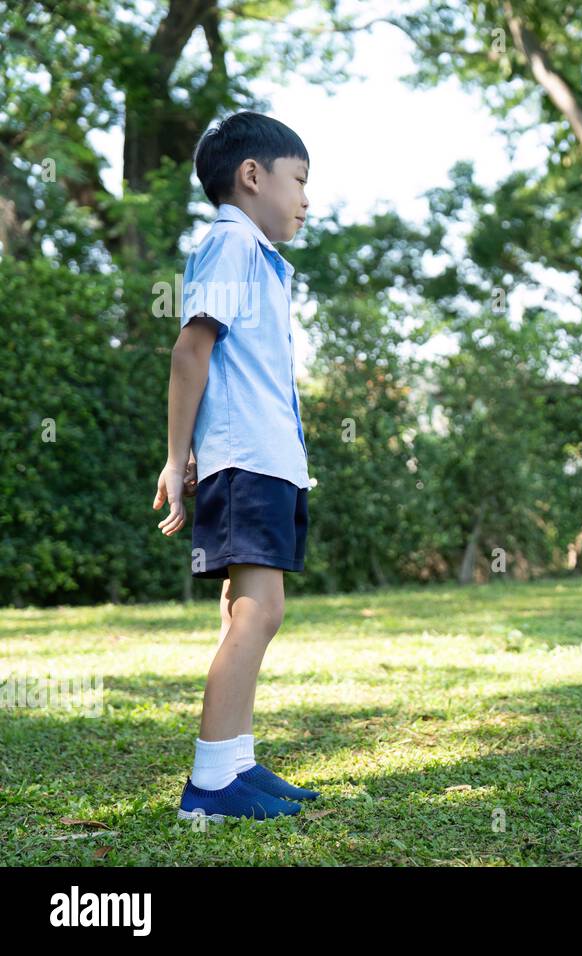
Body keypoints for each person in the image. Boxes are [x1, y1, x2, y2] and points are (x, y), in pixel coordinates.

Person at [153, 111, 320, 820]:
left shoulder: (257, 256)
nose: (307, 199)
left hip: (267, 460)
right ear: (252, 177)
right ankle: (211, 787)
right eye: (300, 181)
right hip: (246, 459)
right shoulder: (231, 244)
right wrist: (177, 455)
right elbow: (192, 350)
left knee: (247, 610)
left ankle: (235, 763)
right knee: (260, 610)